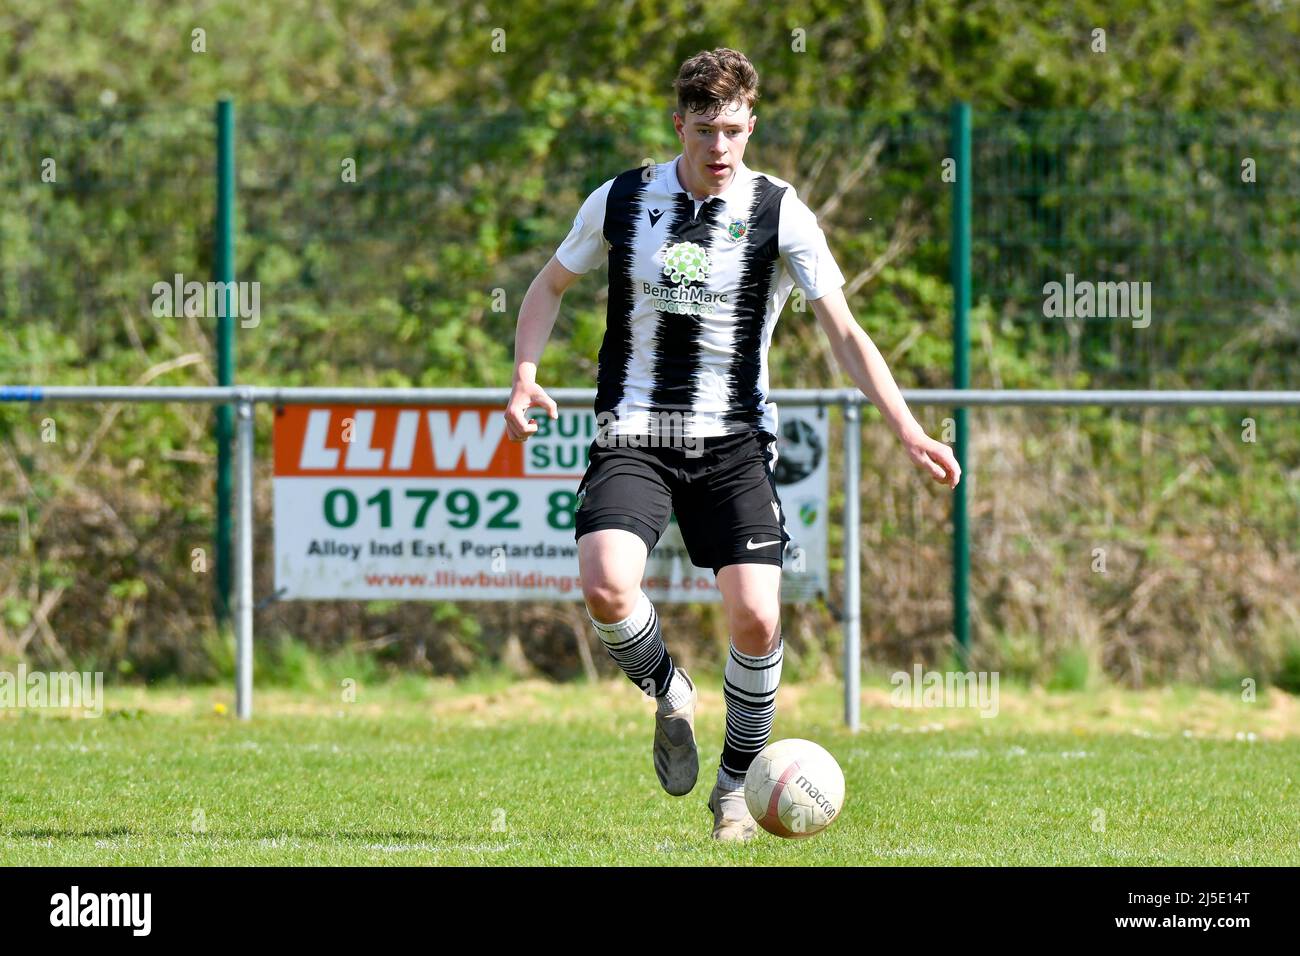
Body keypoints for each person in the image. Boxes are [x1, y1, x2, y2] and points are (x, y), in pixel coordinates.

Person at [504, 48, 960, 841]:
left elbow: (845, 332)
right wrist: (523, 374)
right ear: (678, 123)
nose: (721, 147)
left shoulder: (782, 212)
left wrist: (908, 428)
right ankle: (671, 692)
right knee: (608, 586)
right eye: (706, 129)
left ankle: (734, 788)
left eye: (736, 131)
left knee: (754, 615)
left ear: (753, 126)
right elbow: (547, 285)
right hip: (634, 433)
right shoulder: (620, 199)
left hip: (733, 442)